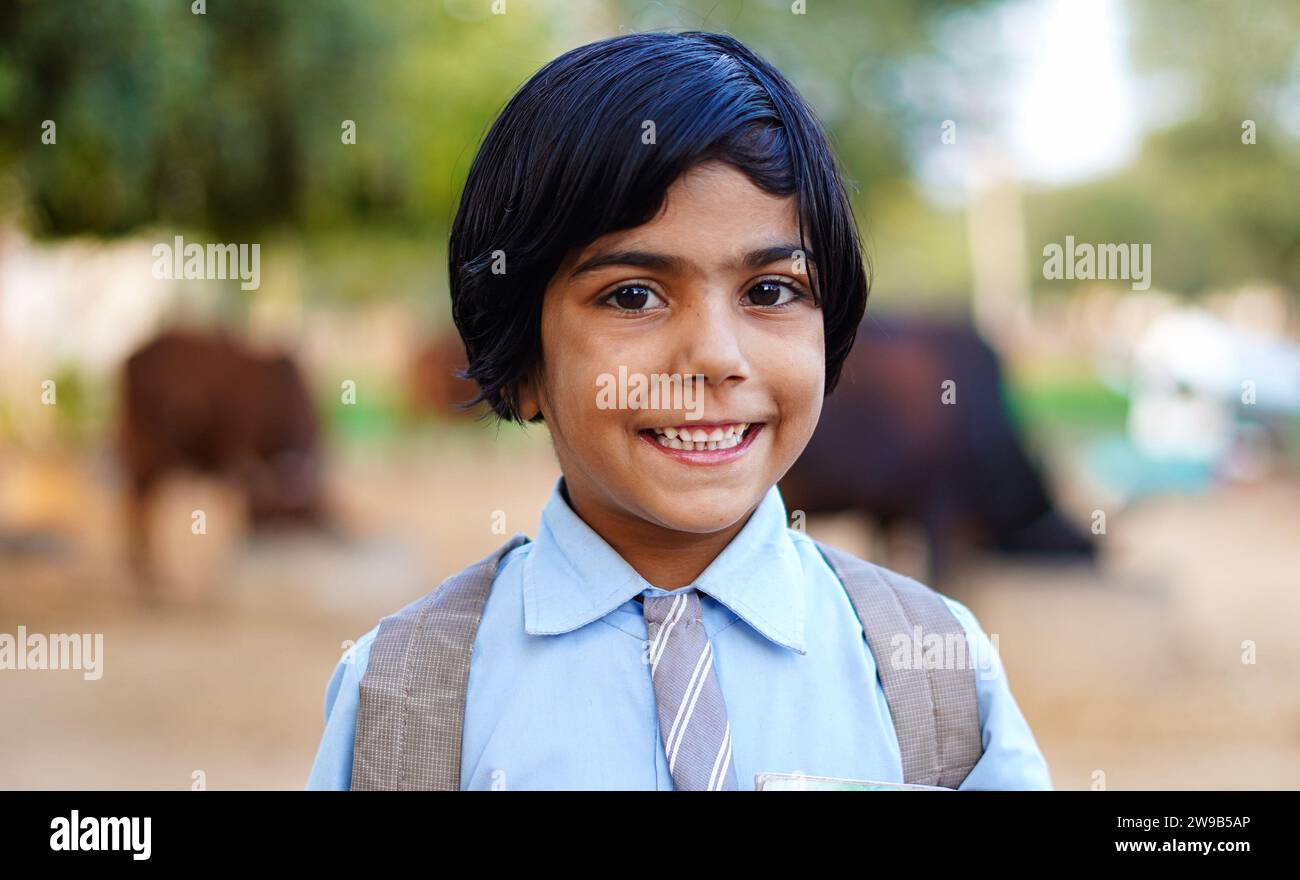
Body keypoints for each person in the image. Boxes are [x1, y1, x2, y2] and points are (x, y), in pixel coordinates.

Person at [307, 30, 1052, 791]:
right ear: (524, 362)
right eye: (633, 295)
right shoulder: (403, 697)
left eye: (770, 291)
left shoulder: (938, 673)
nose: (716, 357)